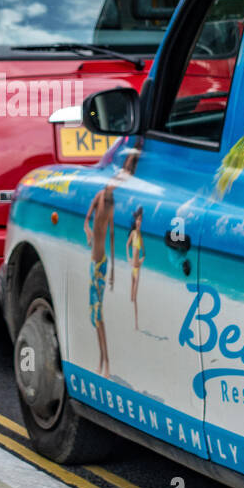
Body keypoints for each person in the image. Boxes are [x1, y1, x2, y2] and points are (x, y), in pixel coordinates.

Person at [82, 148, 139, 377]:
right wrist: (87, 232)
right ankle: (101, 359)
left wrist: (114, 271)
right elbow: (86, 222)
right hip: (94, 263)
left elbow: (114, 240)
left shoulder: (111, 206)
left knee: (99, 316)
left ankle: (105, 363)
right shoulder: (100, 197)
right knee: (94, 316)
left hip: (101, 263)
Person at [126, 206, 145, 328]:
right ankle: (130, 318)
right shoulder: (133, 234)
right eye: (138, 219)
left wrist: (142, 260)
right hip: (132, 267)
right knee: (131, 297)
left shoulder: (141, 238)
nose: (139, 222)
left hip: (137, 269)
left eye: (141, 220)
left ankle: (136, 323)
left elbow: (144, 253)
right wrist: (128, 258)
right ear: (136, 221)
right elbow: (127, 245)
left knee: (135, 298)